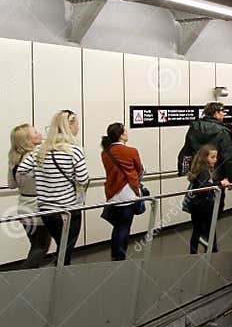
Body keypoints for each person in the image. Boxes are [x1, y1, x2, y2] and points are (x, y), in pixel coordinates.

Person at [17, 110, 89, 266]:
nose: (78, 127)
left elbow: (22, 170)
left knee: (60, 247)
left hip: (47, 211)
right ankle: (62, 281)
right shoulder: (75, 150)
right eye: (76, 123)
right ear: (69, 126)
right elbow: (83, 179)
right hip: (68, 210)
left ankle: (59, 278)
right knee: (66, 251)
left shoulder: (40, 150)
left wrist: (42, 178)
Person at [7, 124, 51, 269]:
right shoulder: (35, 157)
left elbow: (12, 184)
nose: (39, 133)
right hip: (37, 207)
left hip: (23, 207)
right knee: (42, 246)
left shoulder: (14, 159)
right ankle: (22, 276)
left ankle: (30, 278)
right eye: (35, 132)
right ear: (27, 139)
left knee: (35, 244)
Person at [101, 123, 144, 261]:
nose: (127, 133)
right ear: (121, 135)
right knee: (125, 227)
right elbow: (139, 170)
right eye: (125, 131)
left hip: (112, 194)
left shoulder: (105, 152)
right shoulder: (131, 151)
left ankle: (115, 254)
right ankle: (120, 256)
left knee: (118, 226)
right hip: (128, 193)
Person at [182, 102, 232, 206]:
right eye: (222, 111)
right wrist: (230, 179)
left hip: (197, 172)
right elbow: (227, 157)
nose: (224, 114)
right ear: (215, 113)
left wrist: (186, 170)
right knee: (216, 204)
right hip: (218, 175)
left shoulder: (194, 127)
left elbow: (187, 149)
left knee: (197, 199)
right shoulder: (223, 131)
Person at [187, 145, 225, 254]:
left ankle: (193, 253)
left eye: (216, 157)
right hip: (204, 205)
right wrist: (220, 183)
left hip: (195, 205)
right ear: (205, 158)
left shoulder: (198, 169)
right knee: (210, 230)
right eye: (212, 157)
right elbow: (203, 186)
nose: (215, 160)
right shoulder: (205, 171)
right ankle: (213, 251)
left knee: (197, 230)